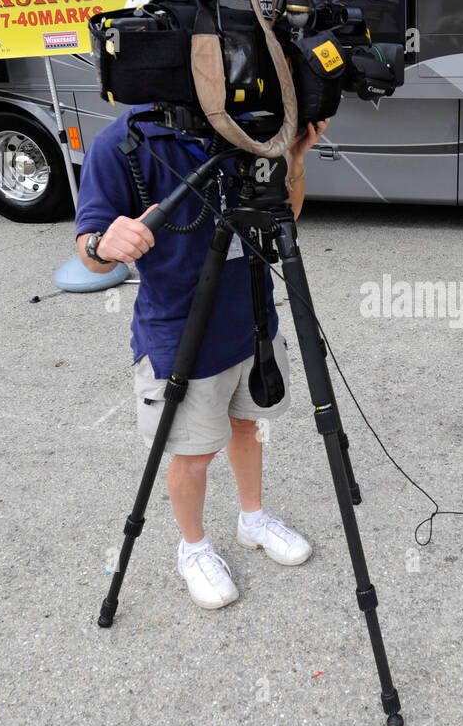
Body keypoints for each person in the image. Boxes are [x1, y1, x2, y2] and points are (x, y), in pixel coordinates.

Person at [75, 104, 330, 610]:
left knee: (248, 426)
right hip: (180, 333)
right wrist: (106, 242)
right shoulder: (121, 142)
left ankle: (252, 518)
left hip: (253, 318)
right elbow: (88, 249)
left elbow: (288, 214)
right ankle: (192, 549)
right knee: (192, 453)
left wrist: (295, 157)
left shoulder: (243, 128)